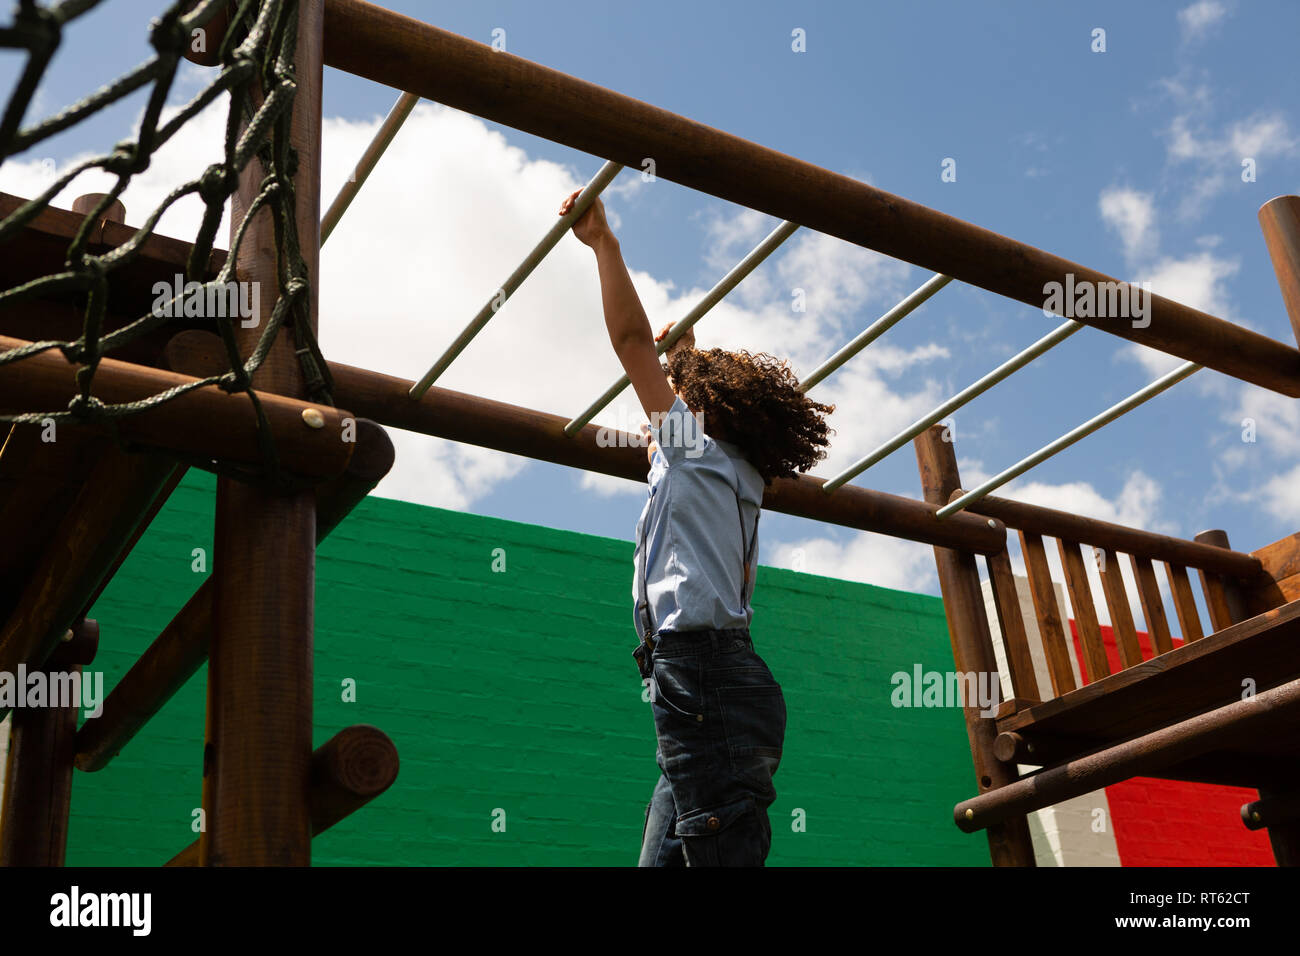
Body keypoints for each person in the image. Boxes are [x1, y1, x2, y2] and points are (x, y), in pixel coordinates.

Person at [560, 189, 835, 866]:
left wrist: (604, 243)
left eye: (681, 393)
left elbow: (629, 343)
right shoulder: (742, 475)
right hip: (723, 683)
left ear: (697, 413)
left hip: (703, 680)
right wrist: (687, 352)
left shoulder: (695, 450)